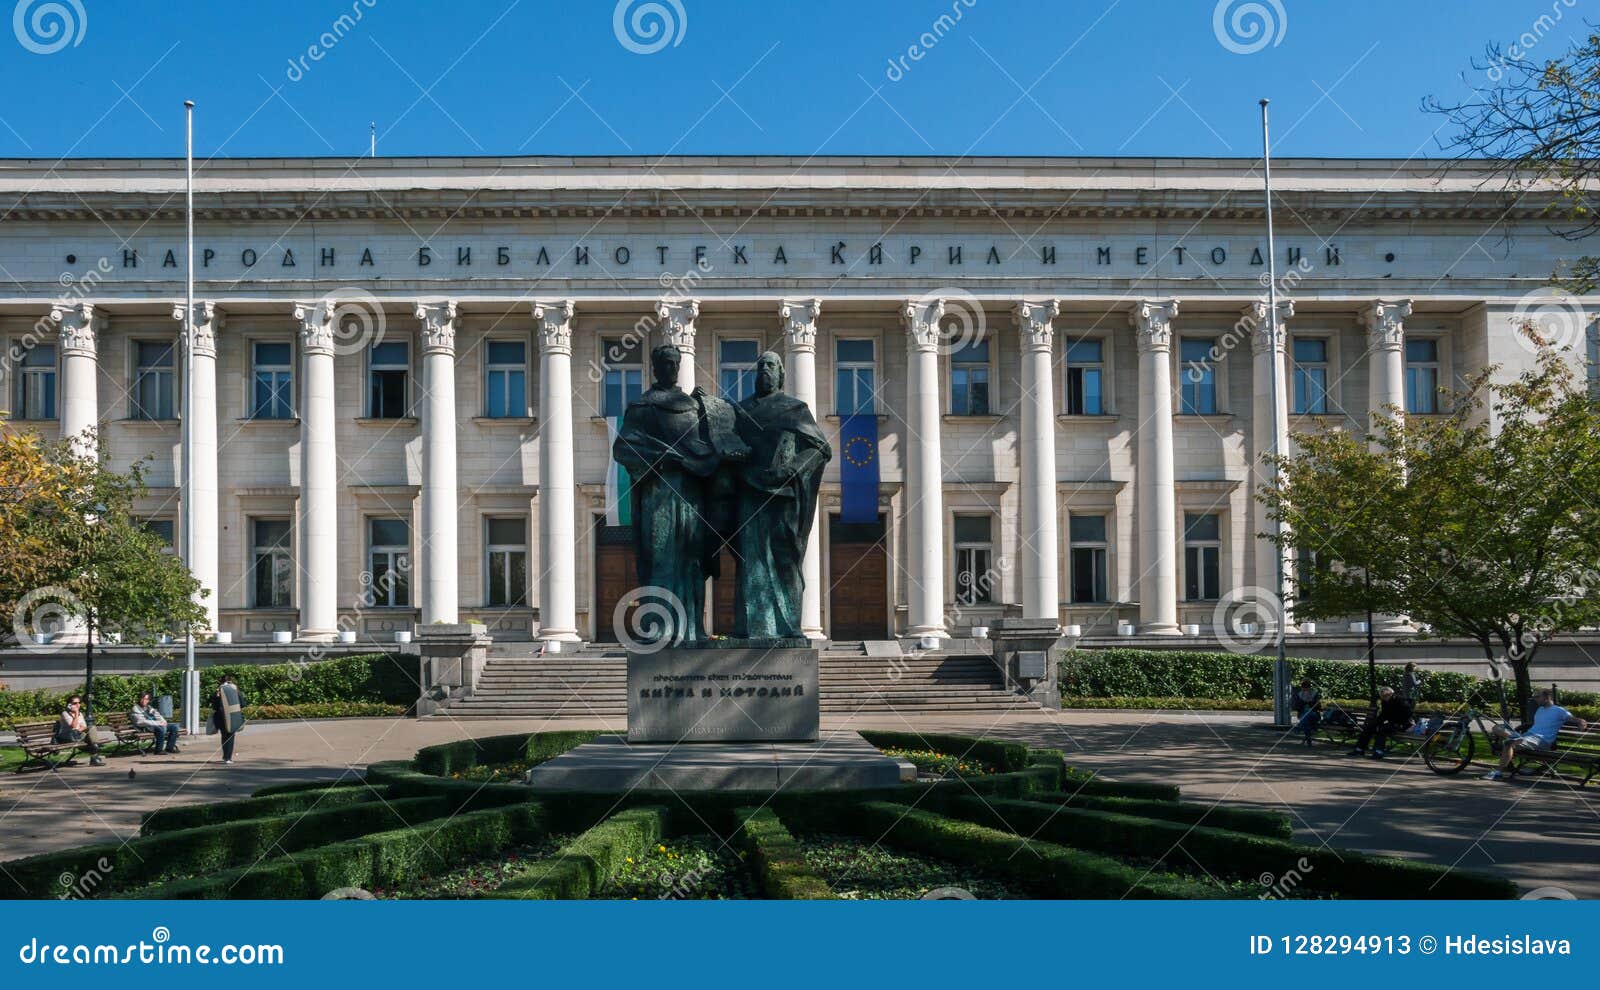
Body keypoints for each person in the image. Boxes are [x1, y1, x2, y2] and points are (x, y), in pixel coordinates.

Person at [730, 351, 832, 639]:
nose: (765, 370)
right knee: (750, 559)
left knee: (785, 557)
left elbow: (820, 449)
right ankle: (752, 628)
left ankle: (787, 627)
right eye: (760, 365)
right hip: (749, 492)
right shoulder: (740, 411)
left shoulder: (793, 409)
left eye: (771, 366)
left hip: (784, 495)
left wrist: (793, 469)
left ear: (781, 375)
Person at [1484, 689, 1589, 782]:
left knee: (1509, 743)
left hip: (1541, 741)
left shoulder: (1559, 710)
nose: (1535, 699)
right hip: (1528, 737)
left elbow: (1575, 719)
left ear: (1547, 697)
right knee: (1497, 728)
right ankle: (1515, 739)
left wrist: (1581, 722)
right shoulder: (1540, 710)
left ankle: (1498, 773)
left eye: (1538, 696)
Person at [1348, 686, 1413, 758]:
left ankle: (1379, 752)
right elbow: (1384, 714)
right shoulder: (1385, 701)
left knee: (1382, 729)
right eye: (1382, 696)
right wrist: (1376, 723)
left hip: (1402, 724)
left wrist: (1391, 721)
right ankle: (1359, 749)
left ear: (1391, 694)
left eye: (1385, 696)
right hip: (1390, 722)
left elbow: (1408, 714)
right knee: (1369, 727)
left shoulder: (1401, 701)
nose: (1384, 698)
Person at [210, 675, 246, 765]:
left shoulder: (218, 691)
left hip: (220, 718)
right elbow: (242, 704)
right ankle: (228, 757)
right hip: (232, 717)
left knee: (224, 736)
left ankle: (226, 756)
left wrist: (217, 696)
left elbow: (214, 706)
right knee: (230, 736)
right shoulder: (235, 691)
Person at [1291, 679, 1322, 747]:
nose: (1305, 691)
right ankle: (1307, 736)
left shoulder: (1315, 694)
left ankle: (1300, 727)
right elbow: (1295, 706)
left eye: (1307, 689)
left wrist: (1310, 703)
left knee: (1307, 717)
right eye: (1304, 689)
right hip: (1302, 714)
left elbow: (1318, 706)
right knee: (1306, 720)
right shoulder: (1299, 695)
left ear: (1310, 688)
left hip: (1314, 714)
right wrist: (1303, 703)